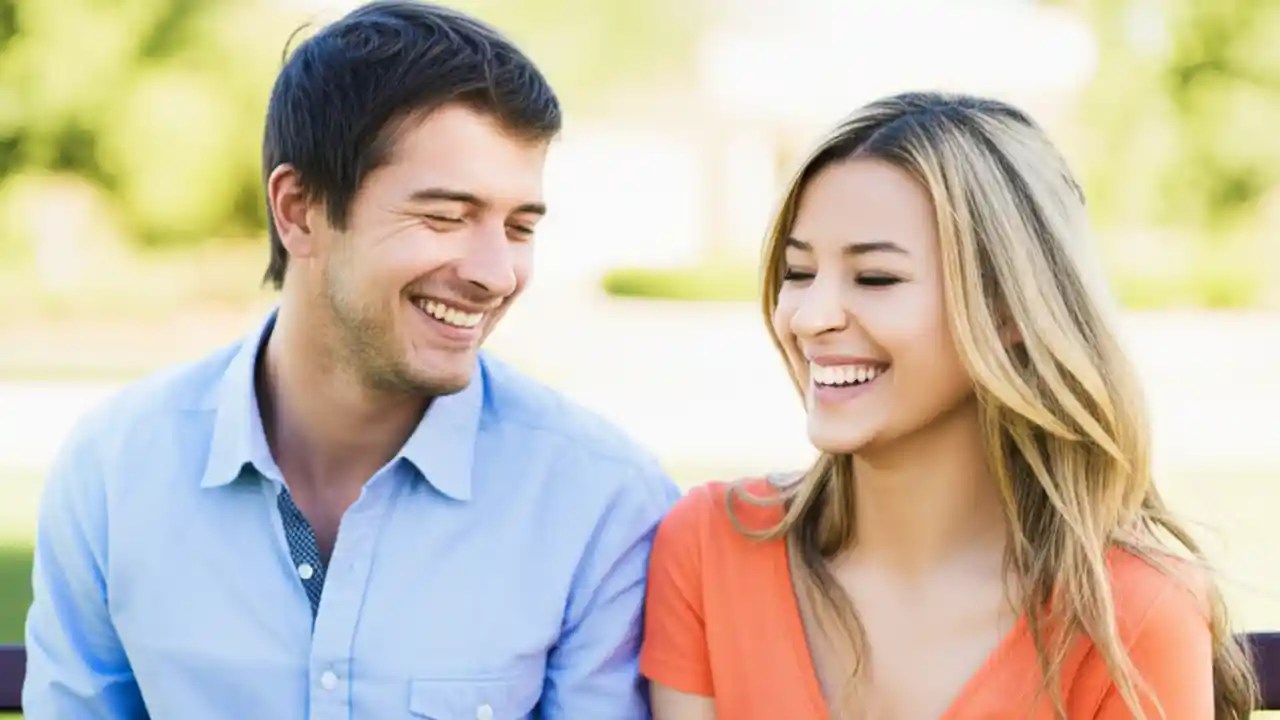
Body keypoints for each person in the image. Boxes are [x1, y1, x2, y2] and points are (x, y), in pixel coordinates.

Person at [23, 2, 679, 717]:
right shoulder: (114, 473)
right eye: (445, 216)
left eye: (519, 226)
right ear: (299, 209)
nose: (496, 273)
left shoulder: (600, 502)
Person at [639, 91, 1258, 719]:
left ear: (1011, 310)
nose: (810, 316)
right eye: (798, 273)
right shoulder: (711, 545)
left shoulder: (1135, 609)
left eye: (876, 278)